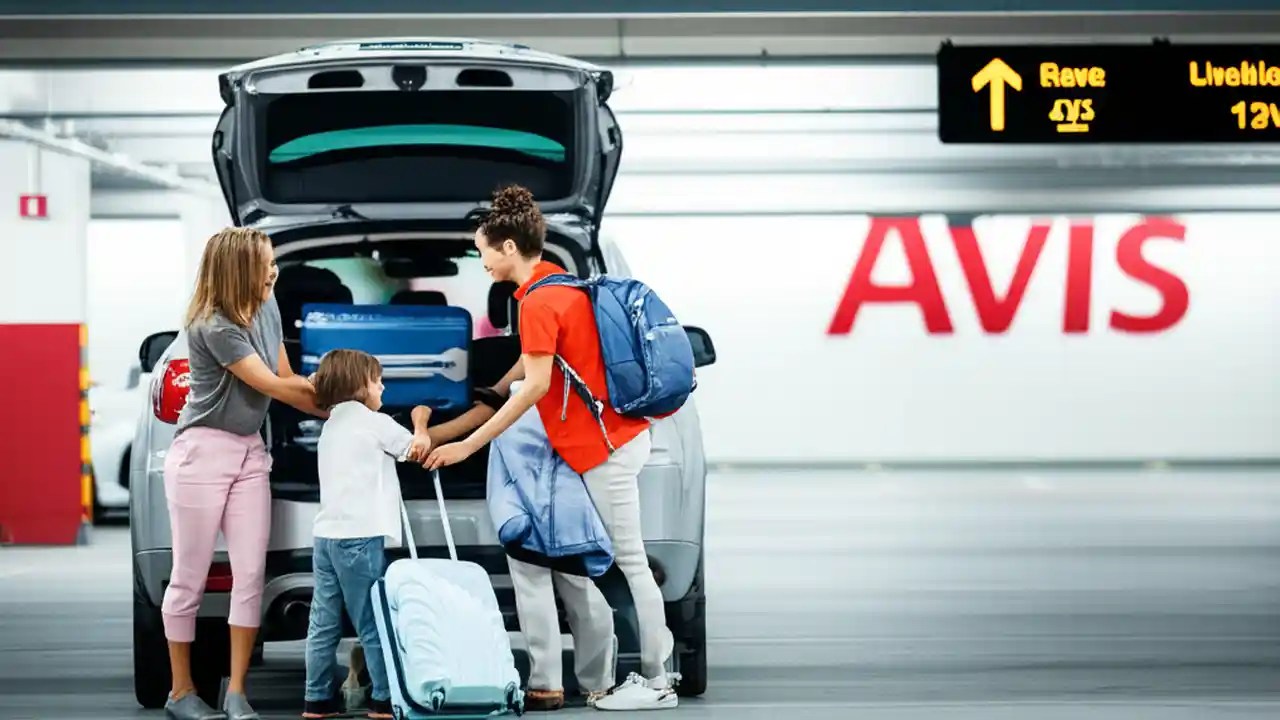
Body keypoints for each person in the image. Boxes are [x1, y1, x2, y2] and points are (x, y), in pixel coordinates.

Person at [426, 185, 679, 712]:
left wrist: (469, 443)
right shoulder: (561, 290)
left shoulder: (539, 301)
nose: (482, 260)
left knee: (631, 563)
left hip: (602, 452)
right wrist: (492, 393)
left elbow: (539, 384)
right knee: (621, 564)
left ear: (510, 248)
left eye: (484, 251)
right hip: (616, 441)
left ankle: (658, 678)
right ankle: (646, 674)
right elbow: (533, 363)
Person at [163, 227, 326, 720]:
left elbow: (287, 374)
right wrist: (348, 398)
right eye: (265, 264)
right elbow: (277, 388)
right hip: (202, 454)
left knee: (251, 575)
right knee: (188, 578)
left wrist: (324, 391)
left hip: (250, 454)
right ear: (239, 270)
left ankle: (236, 691)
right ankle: (181, 691)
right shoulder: (213, 326)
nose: (273, 271)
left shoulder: (268, 305)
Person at [301, 349, 433, 720]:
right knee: (372, 620)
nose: (383, 385)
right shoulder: (375, 422)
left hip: (325, 537)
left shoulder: (331, 423)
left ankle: (316, 702)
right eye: (378, 379)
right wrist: (420, 421)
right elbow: (415, 450)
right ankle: (383, 699)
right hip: (360, 538)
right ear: (360, 385)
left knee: (323, 622)